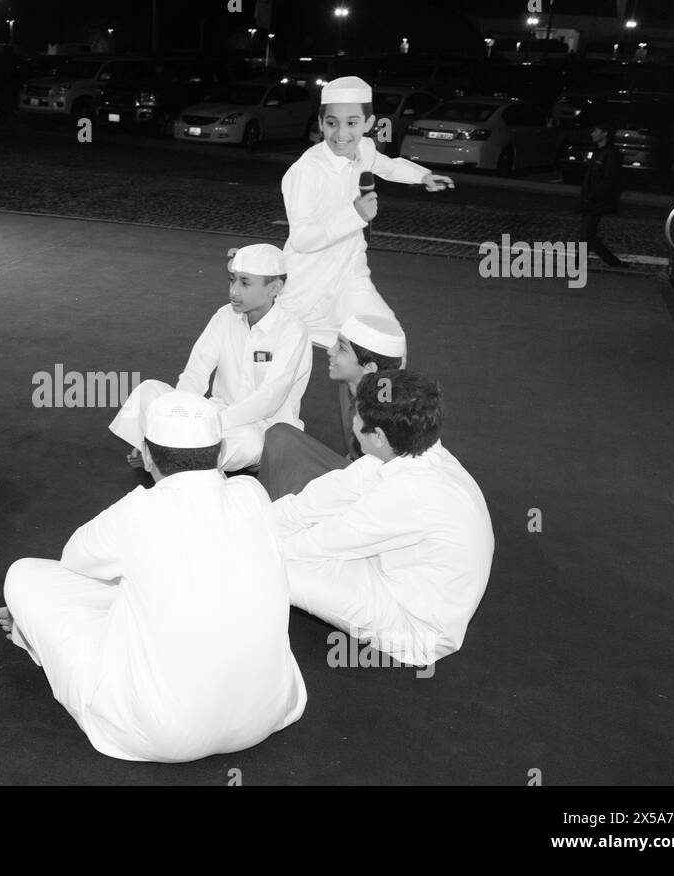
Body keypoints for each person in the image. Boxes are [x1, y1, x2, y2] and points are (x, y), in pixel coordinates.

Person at [0, 390, 306, 763]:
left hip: (160, 732)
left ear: (145, 453)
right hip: (269, 711)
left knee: (24, 575)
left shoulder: (139, 510)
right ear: (222, 449)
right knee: (159, 582)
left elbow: (73, 559)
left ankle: (31, 633)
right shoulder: (252, 493)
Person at [272, 370, 494, 668]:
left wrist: (245, 544)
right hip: (397, 569)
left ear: (378, 436)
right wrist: (257, 523)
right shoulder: (412, 450)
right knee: (297, 526)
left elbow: (327, 540)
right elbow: (324, 497)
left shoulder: (410, 492)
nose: (353, 420)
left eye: (358, 416)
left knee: (275, 566)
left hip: (415, 627)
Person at [278, 76, 453, 349]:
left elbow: (389, 166)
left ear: (368, 124)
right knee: (278, 368)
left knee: (387, 344)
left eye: (352, 123)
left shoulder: (365, 149)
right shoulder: (305, 172)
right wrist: (355, 215)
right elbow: (301, 240)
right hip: (306, 285)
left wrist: (423, 176)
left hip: (351, 275)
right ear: (321, 123)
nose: (341, 134)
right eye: (332, 123)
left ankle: (366, 391)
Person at [108, 243, 311, 473]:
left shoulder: (292, 330)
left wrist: (208, 424)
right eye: (232, 279)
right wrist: (180, 412)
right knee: (149, 390)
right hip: (212, 416)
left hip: (260, 427)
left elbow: (268, 400)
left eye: (244, 282)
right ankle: (172, 453)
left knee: (249, 441)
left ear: (274, 288)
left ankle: (164, 454)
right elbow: (196, 371)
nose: (233, 291)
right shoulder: (225, 316)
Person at [259, 313, 406, 500]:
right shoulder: (352, 382)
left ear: (369, 368)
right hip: (361, 473)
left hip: (378, 491)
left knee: (281, 438)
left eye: (341, 348)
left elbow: (387, 473)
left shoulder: (386, 405)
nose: (330, 351)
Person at [578, 118, 625, 268]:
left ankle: (613, 262)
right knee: (586, 233)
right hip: (591, 199)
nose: (592, 134)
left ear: (604, 134)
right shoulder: (598, 152)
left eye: (596, 131)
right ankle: (579, 263)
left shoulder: (610, 154)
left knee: (587, 234)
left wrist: (592, 196)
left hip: (598, 200)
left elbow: (608, 180)